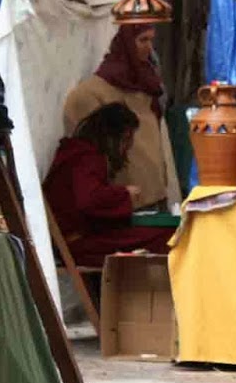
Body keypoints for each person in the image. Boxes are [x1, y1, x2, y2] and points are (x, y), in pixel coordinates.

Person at [43, 102, 172, 265]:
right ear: (113, 137)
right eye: (126, 139)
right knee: (168, 236)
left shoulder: (82, 155)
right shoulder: (85, 158)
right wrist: (124, 193)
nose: (128, 147)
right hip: (79, 245)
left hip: (82, 237)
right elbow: (88, 200)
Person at [63, 24, 174, 210]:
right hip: (123, 200)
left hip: (154, 193)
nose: (149, 47)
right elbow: (87, 155)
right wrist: (113, 195)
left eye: (151, 40)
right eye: (142, 40)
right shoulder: (91, 93)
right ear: (126, 44)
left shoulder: (146, 82)